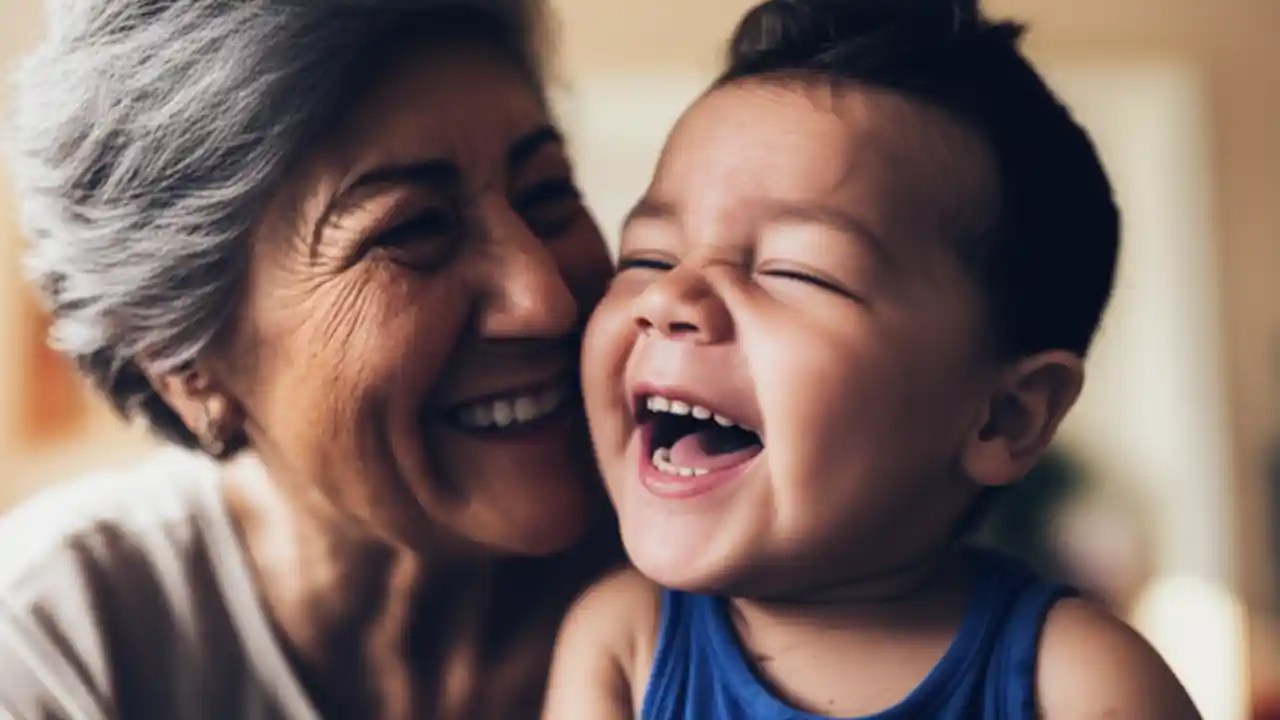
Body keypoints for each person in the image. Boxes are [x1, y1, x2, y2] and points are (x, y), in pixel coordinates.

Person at [544, 0, 1202, 718]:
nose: (669, 297)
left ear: (1005, 417)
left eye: (796, 270)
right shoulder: (625, 647)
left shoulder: (1082, 681)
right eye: (648, 257)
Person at [0, 1, 617, 718]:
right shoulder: (60, 635)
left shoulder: (708, 568)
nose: (545, 300)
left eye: (546, 193)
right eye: (415, 229)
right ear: (182, 365)